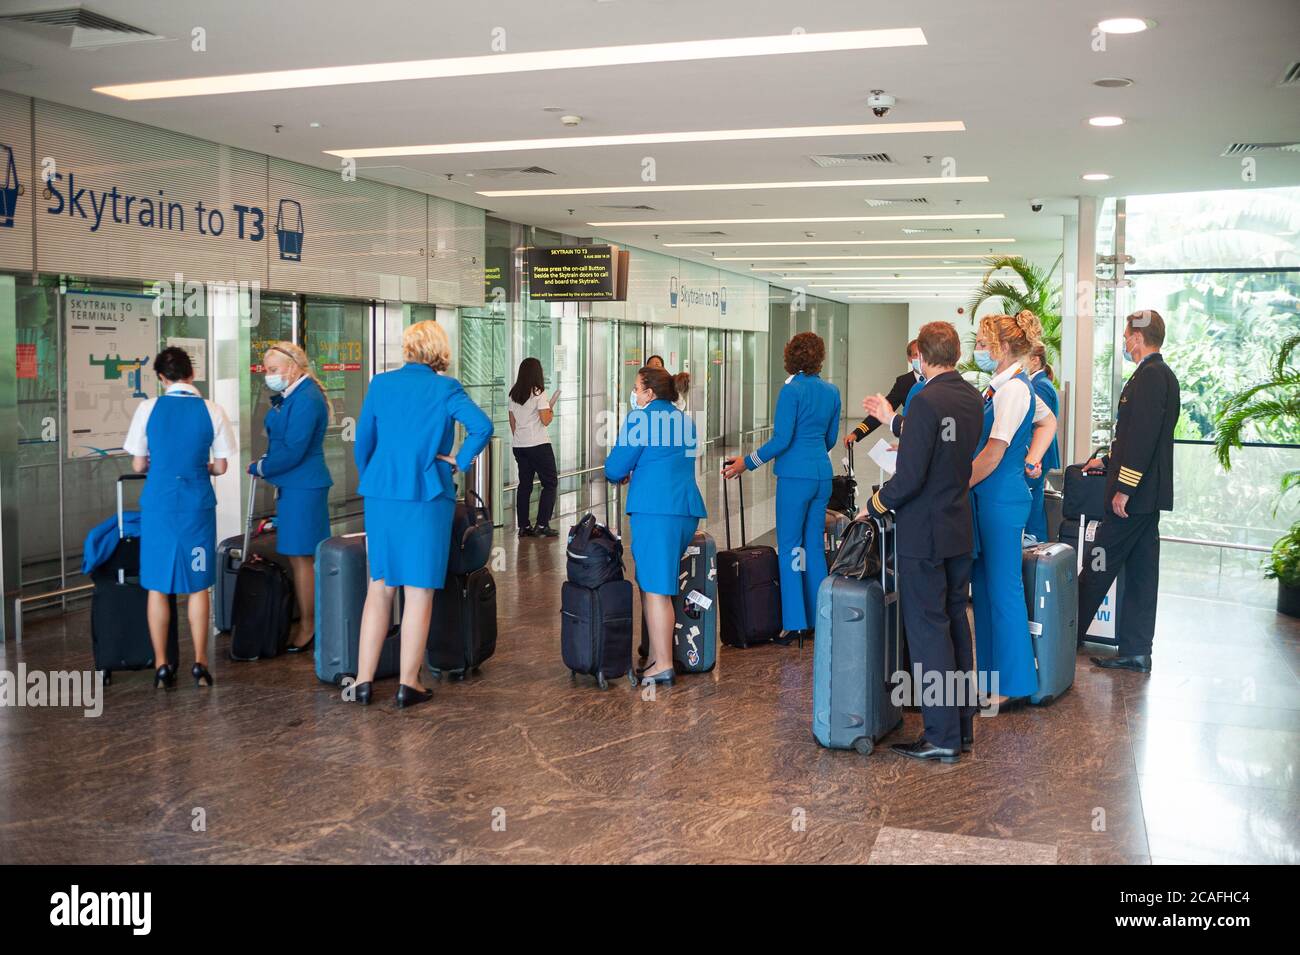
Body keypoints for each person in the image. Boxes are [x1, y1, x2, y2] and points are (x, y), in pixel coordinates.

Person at [352, 321, 492, 709]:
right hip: (427, 493)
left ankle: (363, 681)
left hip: (381, 495)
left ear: (409, 349)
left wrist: (376, 478)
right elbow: (482, 426)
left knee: (379, 587)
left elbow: (363, 443)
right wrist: (458, 461)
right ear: (440, 352)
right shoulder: (445, 388)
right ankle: (407, 683)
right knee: (418, 591)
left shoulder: (380, 384)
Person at [860, 321, 983, 762]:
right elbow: (940, 445)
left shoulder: (925, 398)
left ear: (924, 356)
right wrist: (897, 424)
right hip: (957, 527)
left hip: (924, 534)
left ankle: (941, 736)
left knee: (929, 633)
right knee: (954, 626)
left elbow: (908, 479)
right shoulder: (971, 397)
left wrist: (874, 504)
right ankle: (962, 726)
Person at [123, 346, 236, 689]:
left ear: (161, 377)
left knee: (158, 585)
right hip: (196, 504)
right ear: (191, 373)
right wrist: (201, 466)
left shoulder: (148, 408)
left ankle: (161, 665)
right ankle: (200, 663)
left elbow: (139, 464)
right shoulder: (212, 410)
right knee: (198, 585)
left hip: (158, 503)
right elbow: (221, 465)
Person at [722, 332, 841, 644]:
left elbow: (781, 440)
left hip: (794, 477)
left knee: (790, 547)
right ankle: (820, 618)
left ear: (791, 357)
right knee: (813, 545)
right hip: (821, 474)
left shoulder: (791, 390)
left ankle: (794, 622)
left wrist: (746, 462)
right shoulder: (831, 391)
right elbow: (830, 440)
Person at [966, 311, 1058, 708]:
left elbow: (993, 451)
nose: (979, 351)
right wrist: (1033, 458)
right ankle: (991, 677)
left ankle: (1014, 683)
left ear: (1003, 348)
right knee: (985, 588)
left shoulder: (1014, 390)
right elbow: (1048, 422)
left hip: (1000, 499)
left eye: (983, 344)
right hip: (992, 496)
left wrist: (957, 482)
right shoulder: (1003, 386)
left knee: (1003, 589)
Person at [1080, 310, 1180, 674]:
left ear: (1138, 338)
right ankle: (1137, 649)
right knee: (1141, 573)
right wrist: (1107, 461)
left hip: (1133, 499)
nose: (1124, 341)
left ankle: (1061, 636)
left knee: (1097, 564)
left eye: (1126, 336)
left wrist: (1124, 487)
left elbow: (1141, 439)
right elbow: (1134, 439)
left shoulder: (1151, 377)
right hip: (1145, 496)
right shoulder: (1158, 375)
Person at [605, 366, 706, 686]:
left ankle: (662, 663)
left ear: (649, 393)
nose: (633, 394)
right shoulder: (685, 422)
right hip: (685, 510)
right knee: (656, 584)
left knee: (656, 589)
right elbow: (668, 460)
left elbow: (614, 467)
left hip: (655, 512)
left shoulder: (641, 419)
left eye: (636, 388)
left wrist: (627, 471)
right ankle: (656, 658)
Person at [248, 341, 332, 651]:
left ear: (293, 368)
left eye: (273, 370)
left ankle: (309, 626)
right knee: (300, 557)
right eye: (266, 371)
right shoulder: (293, 395)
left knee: (302, 558)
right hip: (296, 485)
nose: (268, 376)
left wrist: (261, 466)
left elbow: (295, 449)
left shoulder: (307, 399)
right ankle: (309, 621)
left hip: (304, 486)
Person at [508, 357, 559, 540]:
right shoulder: (539, 393)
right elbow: (545, 420)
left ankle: (523, 526)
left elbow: (512, 421)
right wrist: (550, 410)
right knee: (550, 483)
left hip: (520, 445)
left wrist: (520, 438)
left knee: (525, 486)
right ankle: (542, 524)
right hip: (539, 444)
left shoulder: (514, 393)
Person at [845, 339, 923, 447]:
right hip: (911, 439)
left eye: (923, 354)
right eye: (916, 355)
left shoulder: (935, 379)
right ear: (909, 359)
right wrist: (857, 433)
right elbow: (882, 411)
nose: (920, 358)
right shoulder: (903, 382)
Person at [1024, 343, 1061, 542]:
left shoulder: (1040, 386)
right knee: (1034, 503)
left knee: (1033, 508)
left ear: (1035, 360)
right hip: (1037, 454)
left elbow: (1039, 424)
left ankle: (1036, 547)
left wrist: (1031, 455)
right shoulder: (1040, 383)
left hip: (1037, 454)